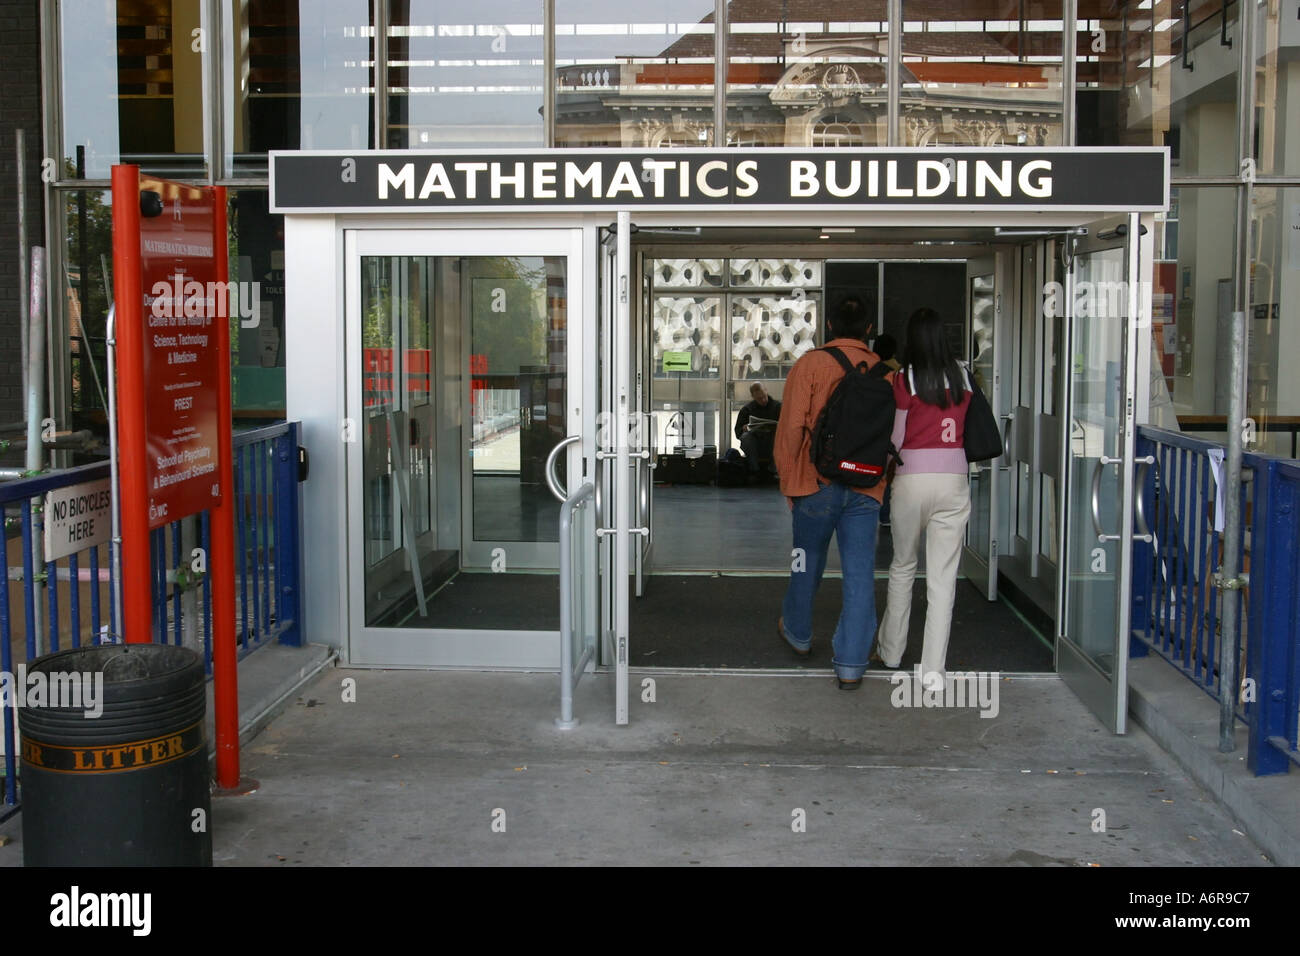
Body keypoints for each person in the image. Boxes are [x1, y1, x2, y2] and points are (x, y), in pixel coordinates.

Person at [773, 296, 894, 690]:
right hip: (865, 488)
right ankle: (851, 665)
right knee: (860, 575)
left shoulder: (810, 364)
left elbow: (791, 427)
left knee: (803, 562)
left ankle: (798, 633)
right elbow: (891, 437)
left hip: (815, 484)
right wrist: (880, 485)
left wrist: (789, 481)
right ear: (870, 330)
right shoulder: (885, 373)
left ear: (828, 326)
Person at [874, 307, 973, 691]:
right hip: (953, 480)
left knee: (902, 566)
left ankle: (892, 651)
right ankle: (933, 672)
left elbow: (896, 438)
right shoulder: (963, 375)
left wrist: (881, 469)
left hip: (912, 480)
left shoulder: (904, 379)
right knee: (943, 579)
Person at [734, 383, 782, 478]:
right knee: (746, 437)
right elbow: (738, 432)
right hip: (754, 445)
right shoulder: (747, 410)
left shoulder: (778, 407)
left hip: (773, 443)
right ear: (753, 397)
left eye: (764, 396)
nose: (763, 400)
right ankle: (754, 470)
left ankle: (773, 470)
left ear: (766, 391)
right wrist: (744, 429)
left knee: (780, 435)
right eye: (759, 399)